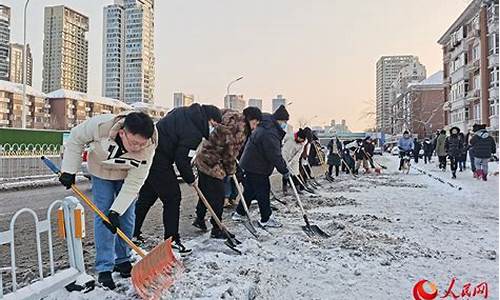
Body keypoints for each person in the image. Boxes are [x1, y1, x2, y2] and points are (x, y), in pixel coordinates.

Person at [58, 112, 157, 289]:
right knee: (103, 217)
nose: (137, 148)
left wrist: (116, 210)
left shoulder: (149, 146)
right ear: (122, 133)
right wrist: (69, 170)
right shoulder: (100, 126)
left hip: (127, 175)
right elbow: (75, 139)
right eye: (134, 142)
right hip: (100, 172)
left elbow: (135, 182)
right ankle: (104, 267)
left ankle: (123, 259)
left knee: (126, 216)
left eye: (142, 144)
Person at [133, 103, 222, 256]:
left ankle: (132, 232)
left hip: (149, 154)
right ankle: (172, 240)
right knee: (173, 197)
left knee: (147, 197)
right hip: (159, 159)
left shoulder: (184, 113)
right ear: (209, 119)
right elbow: (182, 159)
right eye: (214, 125)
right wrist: (190, 178)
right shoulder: (194, 132)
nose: (213, 129)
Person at [232, 105, 291, 227]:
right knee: (263, 191)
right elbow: (274, 155)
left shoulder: (266, 126)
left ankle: (239, 213)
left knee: (249, 191)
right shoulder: (270, 132)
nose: (285, 124)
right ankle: (266, 219)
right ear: (279, 120)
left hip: (251, 163)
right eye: (284, 122)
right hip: (256, 166)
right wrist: (284, 170)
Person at [192, 109, 247, 238]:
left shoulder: (230, 118)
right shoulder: (239, 132)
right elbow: (229, 156)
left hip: (203, 156)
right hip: (212, 162)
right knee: (218, 197)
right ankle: (217, 228)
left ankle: (199, 219)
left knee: (205, 191)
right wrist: (231, 171)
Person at [282, 128, 307, 194]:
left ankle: (297, 188)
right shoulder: (290, 136)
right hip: (285, 156)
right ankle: (285, 188)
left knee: (296, 173)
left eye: (302, 140)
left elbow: (298, 155)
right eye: (300, 138)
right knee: (285, 172)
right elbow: (283, 140)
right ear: (297, 136)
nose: (300, 140)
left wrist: (291, 162)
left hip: (294, 159)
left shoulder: (302, 144)